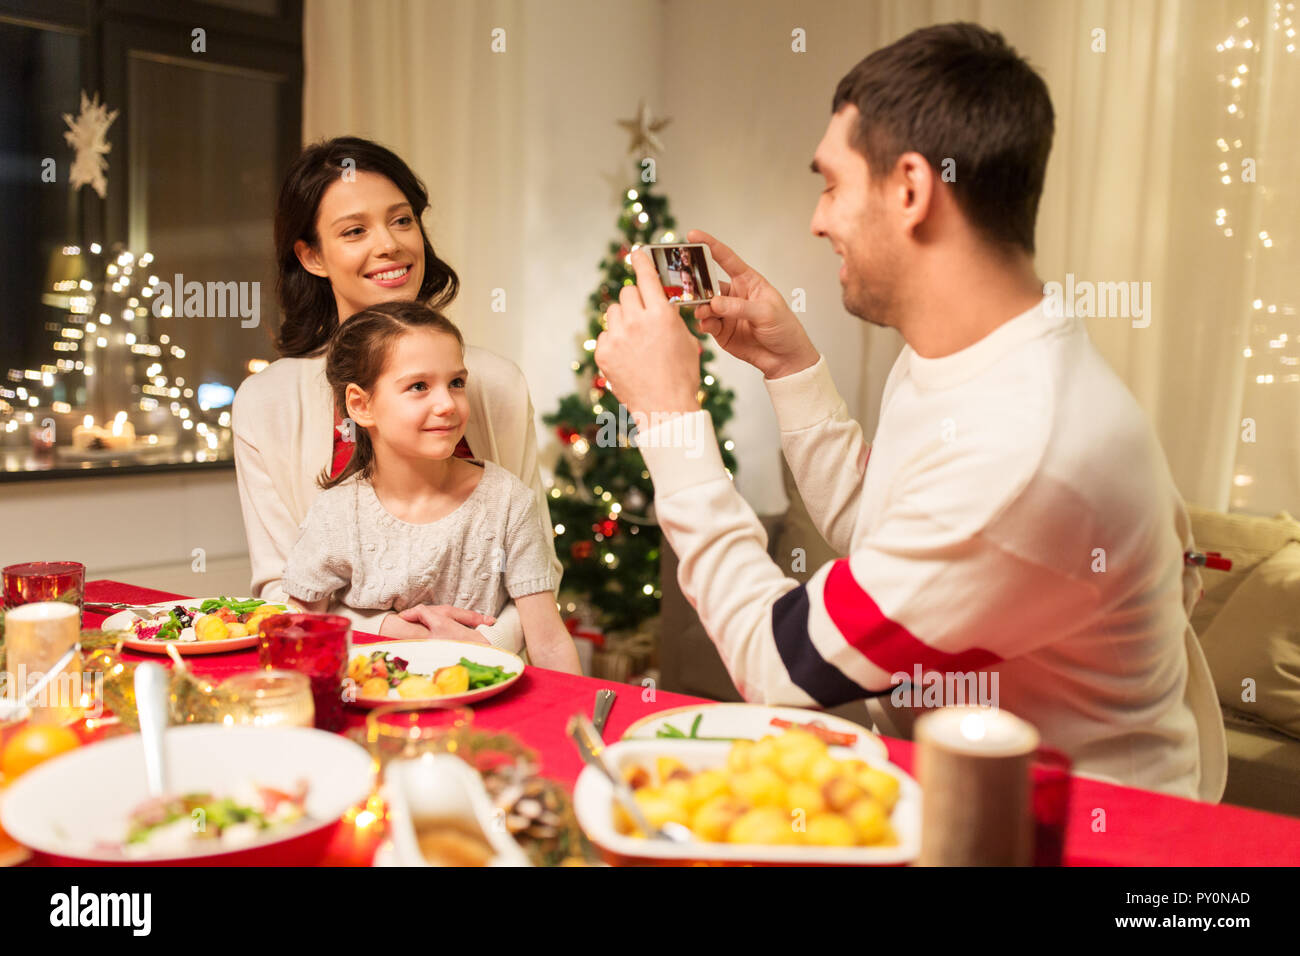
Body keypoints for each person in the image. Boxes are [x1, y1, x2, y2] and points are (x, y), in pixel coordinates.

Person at [594, 23, 1227, 800]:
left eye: (830, 183)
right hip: (960, 796)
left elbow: (782, 666)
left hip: (1082, 835)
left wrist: (669, 419)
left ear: (911, 189)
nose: (817, 220)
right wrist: (791, 369)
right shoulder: (971, 351)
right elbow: (895, 542)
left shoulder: (1025, 447)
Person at [233, 136, 560, 648]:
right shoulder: (265, 403)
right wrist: (388, 632)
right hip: (348, 673)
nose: (389, 244)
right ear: (312, 255)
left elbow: (539, 567)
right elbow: (281, 591)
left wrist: (482, 651)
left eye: (402, 220)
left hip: (491, 675)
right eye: (355, 230)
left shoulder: (496, 384)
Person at [280, 301, 580, 674]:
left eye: (456, 383)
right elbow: (299, 631)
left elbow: (549, 642)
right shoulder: (336, 514)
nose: (447, 404)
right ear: (360, 405)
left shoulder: (508, 502)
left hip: (488, 708)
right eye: (419, 386)